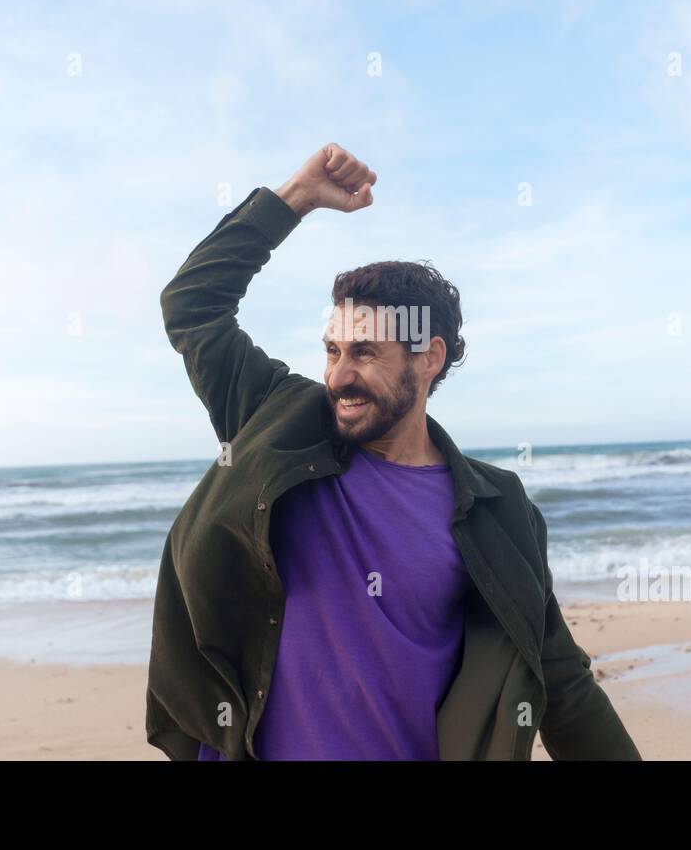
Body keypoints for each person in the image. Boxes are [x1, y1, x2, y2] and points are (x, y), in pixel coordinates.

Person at [146, 143, 641, 761]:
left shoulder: (497, 508)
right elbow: (192, 305)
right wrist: (293, 199)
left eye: (365, 353)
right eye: (332, 350)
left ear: (428, 359)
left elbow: (560, 679)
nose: (340, 375)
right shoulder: (277, 419)